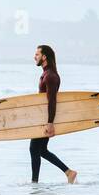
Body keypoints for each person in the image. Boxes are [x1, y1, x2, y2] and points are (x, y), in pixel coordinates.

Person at [31, 44, 78, 184]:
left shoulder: (50, 76)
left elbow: (52, 101)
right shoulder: (47, 74)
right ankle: (69, 172)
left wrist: (50, 122)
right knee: (41, 150)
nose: (34, 57)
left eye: (37, 54)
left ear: (44, 57)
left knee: (34, 149)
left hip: (46, 118)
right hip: (44, 117)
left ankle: (34, 183)